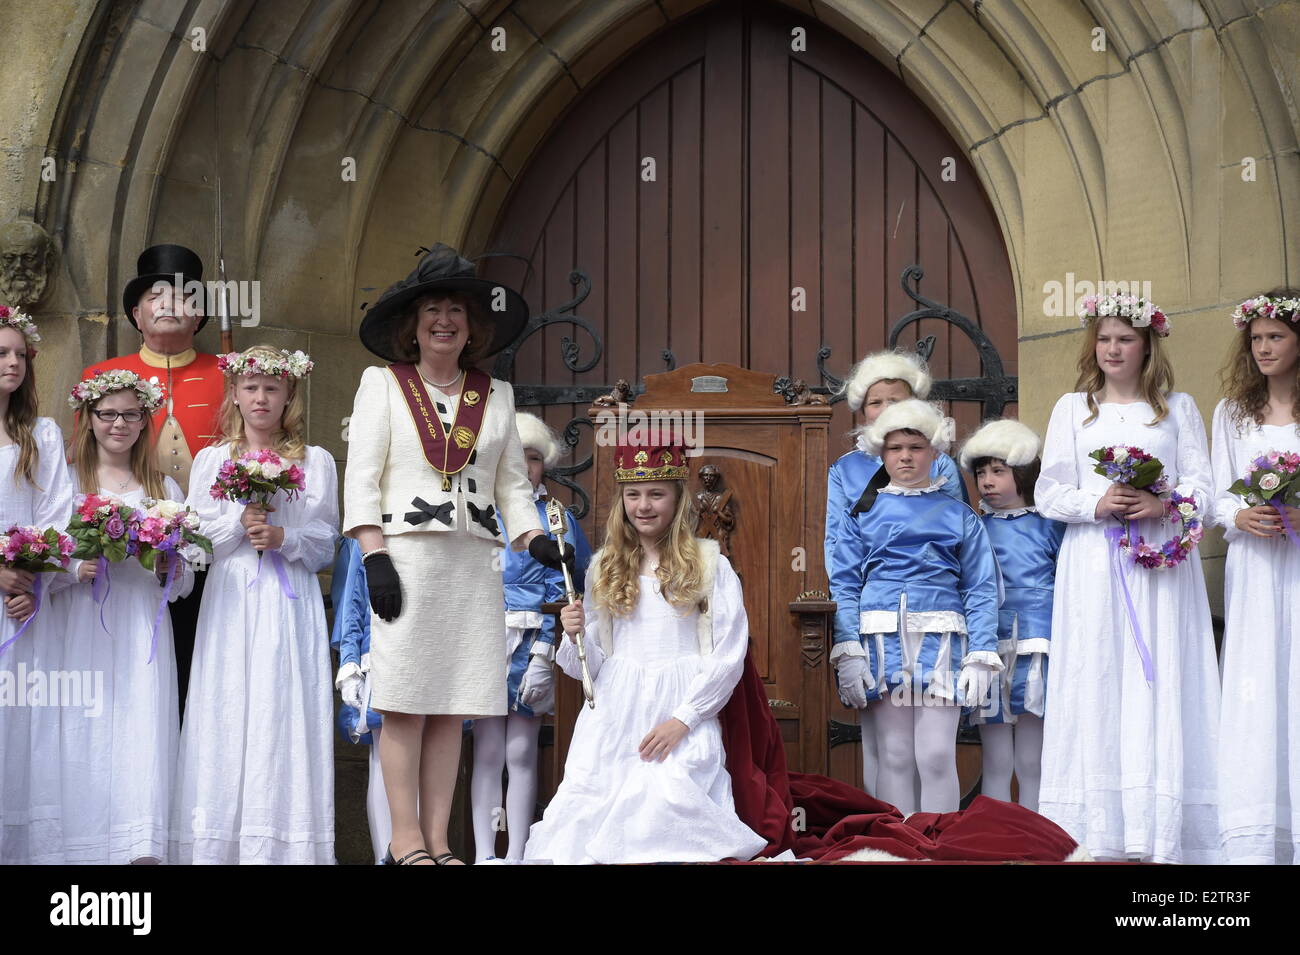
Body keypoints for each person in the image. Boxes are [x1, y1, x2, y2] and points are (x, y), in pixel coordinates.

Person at [343, 244, 561, 866]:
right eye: (432, 310)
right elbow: (362, 476)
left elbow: (513, 486)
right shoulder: (382, 385)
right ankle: (403, 836)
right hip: (405, 559)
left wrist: (533, 538)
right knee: (405, 702)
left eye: (456, 311)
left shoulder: (495, 395)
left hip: (473, 564)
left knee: (451, 707)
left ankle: (438, 840)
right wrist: (373, 555)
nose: (444, 320)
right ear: (412, 326)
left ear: (472, 327)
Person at [523, 432, 768, 864]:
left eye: (656, 494)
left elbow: (729, 655)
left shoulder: (710, 562)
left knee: (670, 805)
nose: (644, 505)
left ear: (677, 498)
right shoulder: (605, 565)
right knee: (592, 807)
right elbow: (591, 668)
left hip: (680, 706)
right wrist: (575, 633)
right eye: (633, 494)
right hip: (616, 709)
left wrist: (684, 720)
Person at [1035, 295, 1220, 863]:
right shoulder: (1074, 408)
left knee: (1157, 675)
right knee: (1100, 669)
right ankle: (1096, 830)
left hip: (1160, 563)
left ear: (1147, 345)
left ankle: (1161, 828)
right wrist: (1100, 500)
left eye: (1125, 339)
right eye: (1105, 338)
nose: (1113, 349)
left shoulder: (1178, 409)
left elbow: (1204, 490)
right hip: (1094, 562)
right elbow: (1048, 491)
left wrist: (1162, 503)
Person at [171, 345, 338, 864]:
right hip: (232, 597)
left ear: (289, 394)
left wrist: (285, 535)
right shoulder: (212, 459)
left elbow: (328, 540)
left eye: (271, 388)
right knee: (227, 703)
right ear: (235, 396)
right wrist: (237, 522)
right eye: (250, 388)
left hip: (287, 601)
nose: (261, 398)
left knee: (282, 705)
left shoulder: (316, 460)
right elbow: (194, 541)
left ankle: (281, 844)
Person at [829, 399, 1000, 816]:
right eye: (895, 448)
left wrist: (981, 653)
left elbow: (981, 587)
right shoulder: (862, 514)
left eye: (916, 447)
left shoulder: (960, 515)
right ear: (880, 453)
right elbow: (845, 582)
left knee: (938, 753)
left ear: (935, 452)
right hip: (881, 638)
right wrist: (848, 647)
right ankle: (900, 850)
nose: (905, 456)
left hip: (941, 640)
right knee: (896, 753)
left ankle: (938, 848)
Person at [81, 244, 225, 718]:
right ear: (136, 314)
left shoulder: (230, 376)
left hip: (215, 551)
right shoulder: (102, 377)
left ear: (199, 315)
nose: (168, 304)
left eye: (183, 296)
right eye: (155, 296)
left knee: (200, 675)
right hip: (128, 559)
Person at [60, 370, 193, 864]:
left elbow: (182, 586)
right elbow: (49, 557)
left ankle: (139, 851)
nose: (119, 423)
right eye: (108, 413)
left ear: (145, 421)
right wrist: (77, 564)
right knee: (86, 728)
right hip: (82, 625)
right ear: (88, 418)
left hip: (141, 630)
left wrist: (166, 567)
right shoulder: (68, 482)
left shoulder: (166, 490)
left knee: (141, 732)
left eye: (131, 414)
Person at [827, 349, 967, 796]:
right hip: (873, 614)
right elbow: (838, 547)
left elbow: (959, 538)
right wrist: (848, 631)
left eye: (896, 399)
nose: (885, 409)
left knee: (931, 746)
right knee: (885, 745)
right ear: (861, 410)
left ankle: (934, 838)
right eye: (876, 402)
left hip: (933, 614)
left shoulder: (936, 461)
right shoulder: (845, 470)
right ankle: (886, 832)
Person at [471, 412, 591, 863]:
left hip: (533, 641)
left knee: (520, 749)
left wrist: (545, 649)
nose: (524, 466)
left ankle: (518, 853)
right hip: (482, 637)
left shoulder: (556, 516)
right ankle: (485, 854)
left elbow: (569, 584)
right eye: (514, 456)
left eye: (534, 458)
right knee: (485, 748)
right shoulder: (478, 511)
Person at [1213, 289, 1300, 864]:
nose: (1264, 347)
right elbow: (1217, 493)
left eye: (1277, 337)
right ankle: (1255, 838)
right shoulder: (1232, 413)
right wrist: (1240, 514)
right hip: (1254, 566)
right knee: (1256, 684)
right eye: (1258, 338)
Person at [0, 307, 75, 864]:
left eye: (20, 355)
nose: (13, 364)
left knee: (22, 731)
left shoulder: (40, 436)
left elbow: (57, 516)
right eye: (2, 353)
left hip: (25, 605)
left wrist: (35, 578)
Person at [958, 418, 1063, 812]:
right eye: (982, 472)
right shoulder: (974, 528)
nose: (987, 480)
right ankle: (997, 835)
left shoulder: (1051, 525)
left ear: (1022, 472)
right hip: (989, 646)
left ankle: (1038, 833)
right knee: (996, 758)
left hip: (1040, 642)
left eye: (998, 471)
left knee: (1033, 758)